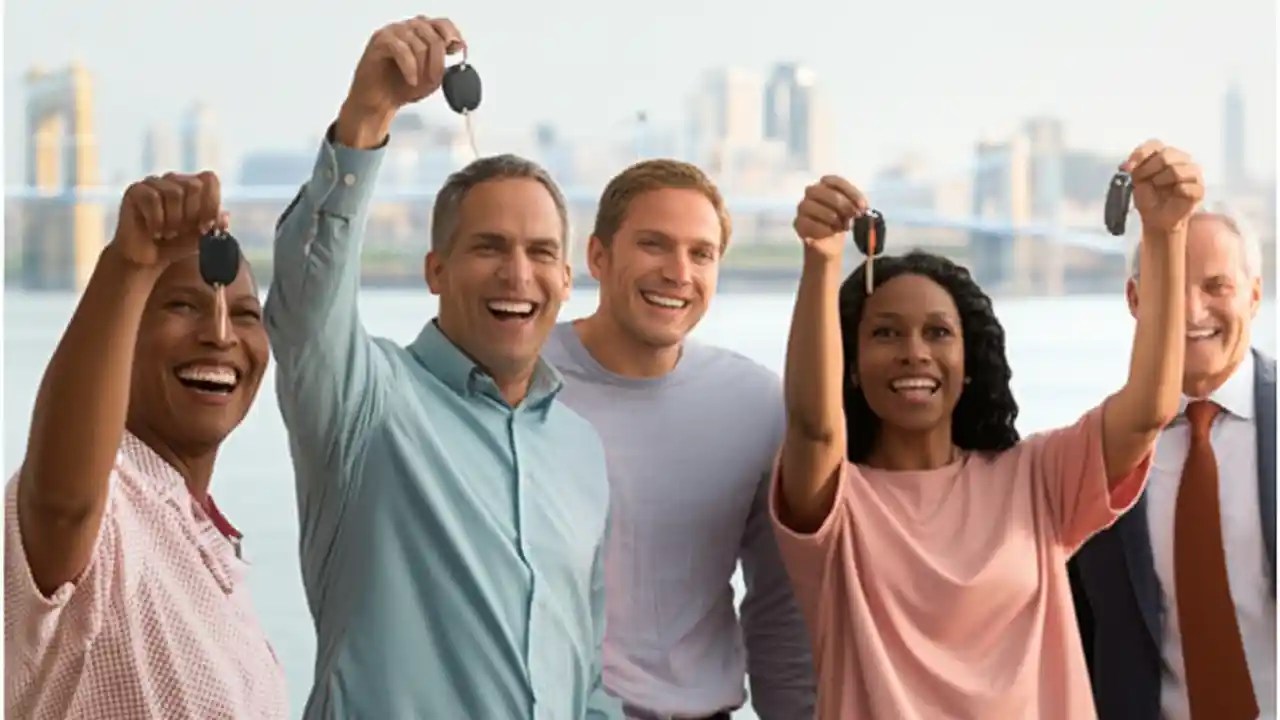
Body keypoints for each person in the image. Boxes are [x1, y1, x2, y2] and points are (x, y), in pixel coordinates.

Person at [767, 139, 1200, 719]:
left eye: (939, 333)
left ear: (970, 361)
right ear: (848, 360)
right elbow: (816, 428)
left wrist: (1165, 236)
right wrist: (820, 259)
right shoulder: (834, 503)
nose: (914, 353)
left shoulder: (1037, 479)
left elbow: (1149, 409)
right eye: (885, 334)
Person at [263, 15, 620, 719]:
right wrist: (368, 113)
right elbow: (305, 304)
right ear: (435, 269)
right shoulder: (363, 406)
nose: (517, 275)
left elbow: (586, 678)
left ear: (568, 278)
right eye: (489, 247)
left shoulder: (581, 450)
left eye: (541, 253)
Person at [4, 172, 287, 719]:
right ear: (120, 336)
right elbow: (63, 505)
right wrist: (129, 266)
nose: (222, 334)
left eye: (247, 314)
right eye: (183, 306)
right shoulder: (104, 510)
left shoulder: (202, 538)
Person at [541, 160, 816, 719]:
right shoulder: (520, 378)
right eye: (654, 245)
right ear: (597, 256)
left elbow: (780, 612)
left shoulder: (758, 403)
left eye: (701, 254)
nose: (678, 272)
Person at [1071, 209, 1275, 719]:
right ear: (1135, 299)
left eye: (1216, 286)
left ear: (1253, 294)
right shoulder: (1093, 454)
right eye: (1170, 287)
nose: (1192, 310)